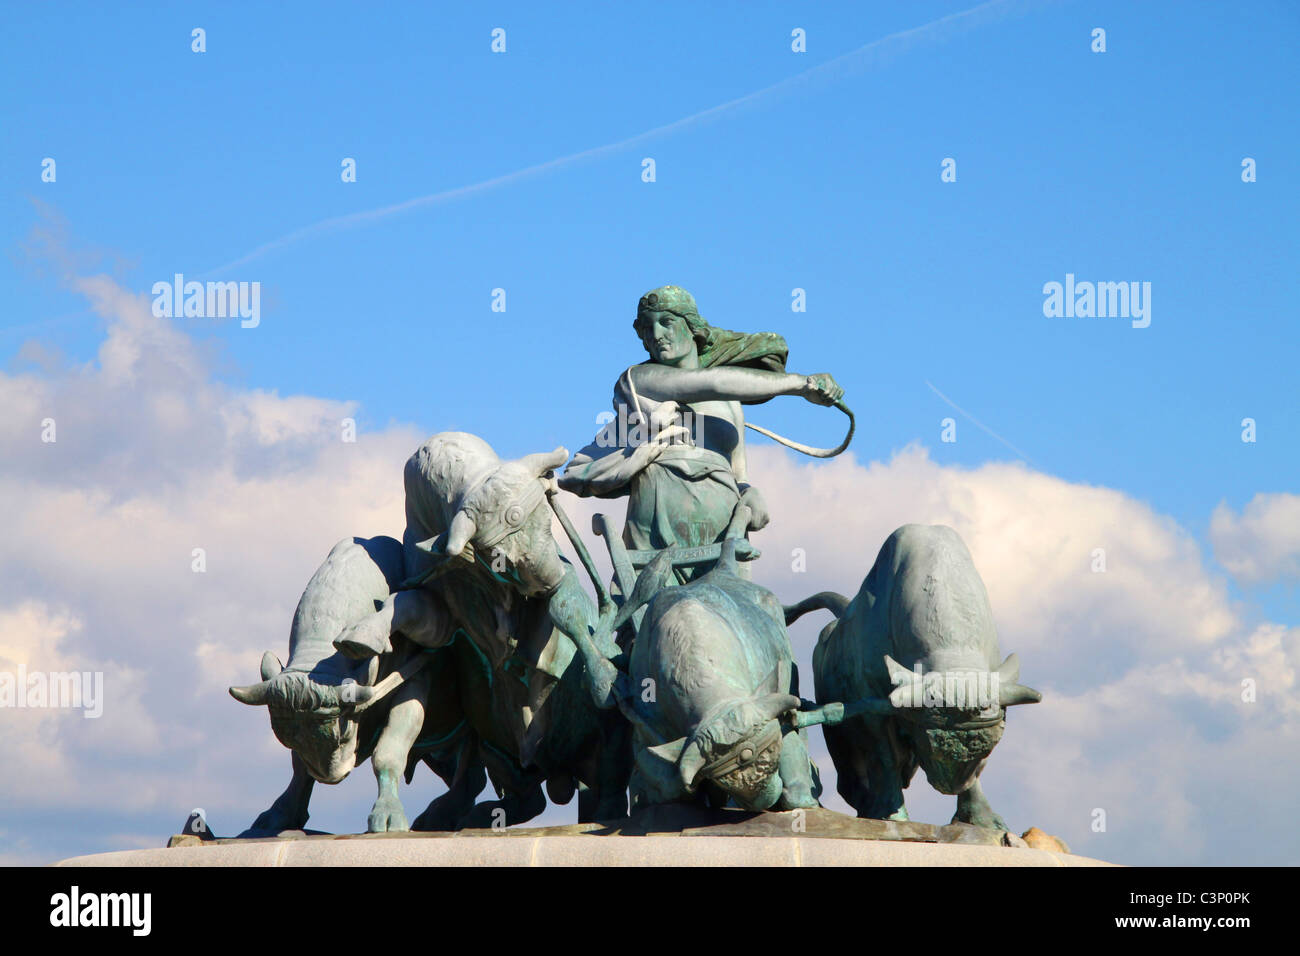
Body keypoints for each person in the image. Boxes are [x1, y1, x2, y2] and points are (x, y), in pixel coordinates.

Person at [560, 285, 843, 581]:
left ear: (692, 327)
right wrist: (801, 384)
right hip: (656, 540)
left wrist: (750, 493)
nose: (656, 335)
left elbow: (739, 475)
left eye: (666, 322)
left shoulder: (732, 405)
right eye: (648, 327)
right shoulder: (639, 379)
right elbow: (713, 382)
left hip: (722, 542)